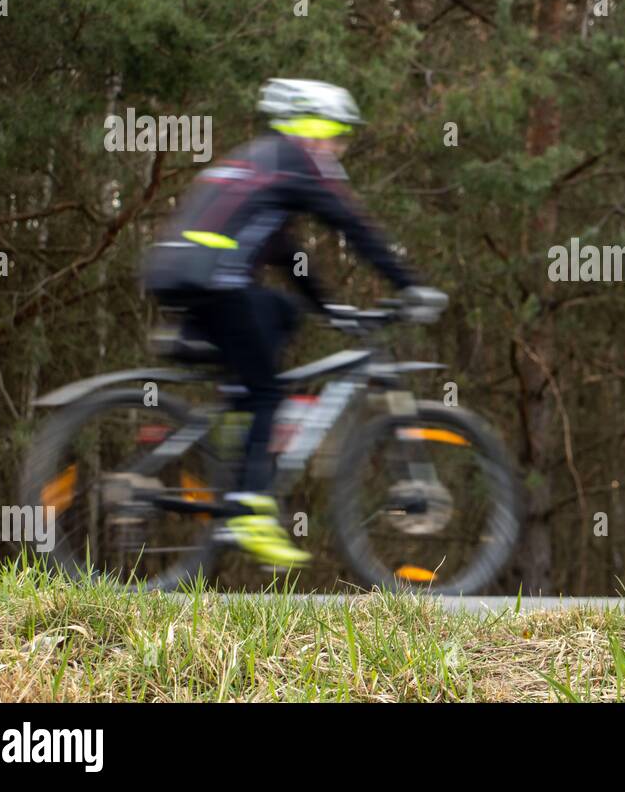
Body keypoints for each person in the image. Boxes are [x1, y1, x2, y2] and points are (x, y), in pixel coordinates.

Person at [143, 78, 447, 567]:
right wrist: (408, 284)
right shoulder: (298, 162)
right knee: (268, 391)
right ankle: (249, 505)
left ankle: (225, 397)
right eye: (339, 134)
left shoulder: (260, 161)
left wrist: (328, 309)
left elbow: (287, 254)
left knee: (280, 315)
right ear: (316, 126)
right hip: (216, 280)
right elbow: (353, 226)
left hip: (175, 274)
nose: (340, 146)